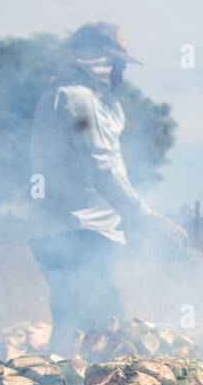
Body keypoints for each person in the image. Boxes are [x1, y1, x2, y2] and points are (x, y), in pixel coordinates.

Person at [29, 21, 187, 353]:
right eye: (116, 62)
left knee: (80, 328)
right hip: (77, 231)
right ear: (95, 58)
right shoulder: (78, 100)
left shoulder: (77, 97)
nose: (120, 71)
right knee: (103, 336)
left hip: (74, 231)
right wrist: (146, 217)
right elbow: (101, 166)